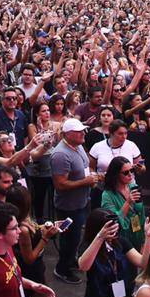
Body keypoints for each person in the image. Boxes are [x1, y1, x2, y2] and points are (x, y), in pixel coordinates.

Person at [50, 118, 98, 283]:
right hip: (68, 207)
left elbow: (84, 169)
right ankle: (62, 269)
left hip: (81, 202)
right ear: (67, 134)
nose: (83, 133)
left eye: (83, 130)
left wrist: (90, 177)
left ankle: (70, 262)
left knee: (76, 237)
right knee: (69, 239)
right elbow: (60, 185)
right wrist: (86, 182)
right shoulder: (60, 155)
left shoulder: (77, 146)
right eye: (78, 131)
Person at [100, 157, 149, 251]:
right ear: (116, 174)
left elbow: (141, 214)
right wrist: (128, 202)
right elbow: (113, 221)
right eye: (126, 172)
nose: (130, 175)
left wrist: (144, 239)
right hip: (120, 238)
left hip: (137, 231)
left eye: (132, 170)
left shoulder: (133, 187)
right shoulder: (107, 195)